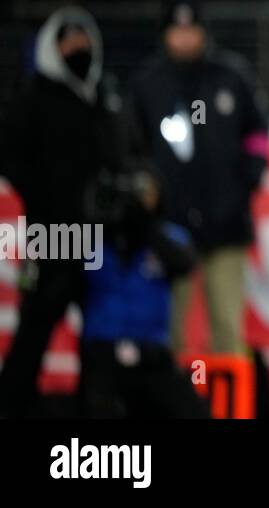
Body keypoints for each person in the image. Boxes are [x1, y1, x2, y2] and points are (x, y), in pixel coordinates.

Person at [126, 0, 269, 358]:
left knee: (227, 331)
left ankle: (232, 411)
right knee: (168, 334)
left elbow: (259, 133)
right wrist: (147, 197)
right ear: (165, 34)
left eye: (192, 29)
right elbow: (131, 147)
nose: (185, 38)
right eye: (177, 30)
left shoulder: (231, 76)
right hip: (170, 231)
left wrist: (248, 179)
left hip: (226, 224)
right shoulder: (148, 84)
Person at [0, 7, 121, 417]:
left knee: (99, 328)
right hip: (49, 232)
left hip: (95, 236)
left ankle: (95, 405)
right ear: (52, 47)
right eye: (67, 41)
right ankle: (13, 405)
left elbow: (115, 156)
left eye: (83, 40)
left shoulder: (100, 95)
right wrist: (44, 197)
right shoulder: (34, 95)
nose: (77, 48)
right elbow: (11, 155)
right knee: (37, 321)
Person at [78, 165, 208, 418]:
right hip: (103, 353)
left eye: (144, 191)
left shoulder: (167, 236)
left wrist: (146, 225)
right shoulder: (91, 238)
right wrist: (106, 222)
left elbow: (186, 261)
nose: (138, 199)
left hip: (152, 355)